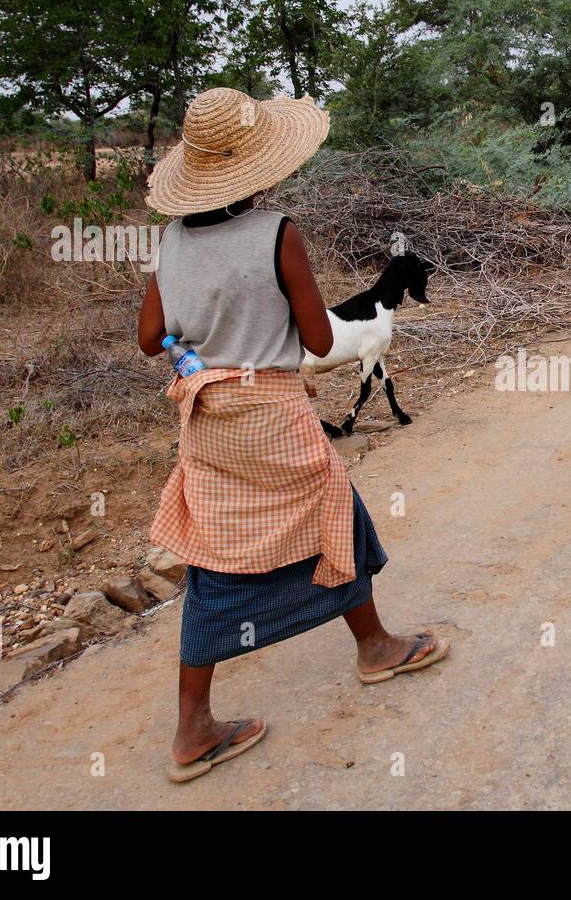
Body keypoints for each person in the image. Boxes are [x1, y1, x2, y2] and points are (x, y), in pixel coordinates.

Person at [138, 88, 448, 783]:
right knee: (332, 510)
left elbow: (146, 336)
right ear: (258, 169)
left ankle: (193, 727)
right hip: (273, 415)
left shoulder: (170, 240)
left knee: (214, 558)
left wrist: (197, 350)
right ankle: (375, 647)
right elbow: (314, 335)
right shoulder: (277, 232)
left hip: (208, 423)